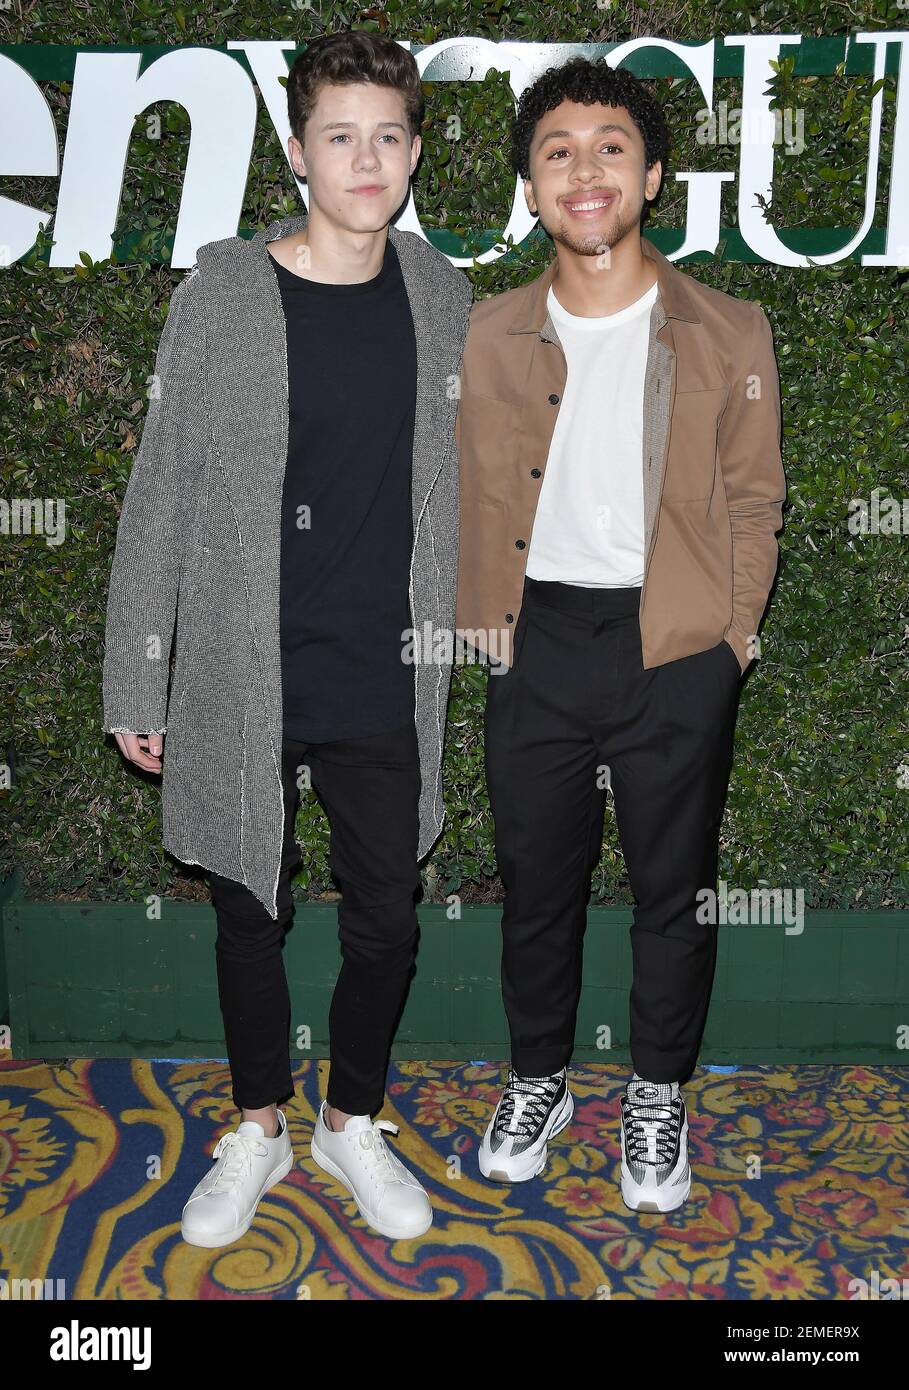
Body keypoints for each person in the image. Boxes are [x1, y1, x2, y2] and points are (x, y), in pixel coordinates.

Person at [102, 30, 472, 1246]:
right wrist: (135, 669)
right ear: (300, 154)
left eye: (387, 136)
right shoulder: (219, 292)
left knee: (388, 916)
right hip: (243, 664)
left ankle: (351, 1116)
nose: (366, 160)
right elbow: (160, 487)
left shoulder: (440, 293)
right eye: (339, 136)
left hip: (383, 665)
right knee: (246, 909)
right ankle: (259, 1121)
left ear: (413, 152)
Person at [455, 56, 786, 1213]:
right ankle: (538, 1076)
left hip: (675, 650)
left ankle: (658, 1092)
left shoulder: (729, 329)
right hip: (535, 640)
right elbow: (454, 497)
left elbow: (755, 501)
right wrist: (482, 635)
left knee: (672, 890)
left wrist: (730, 642)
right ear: (532, 189)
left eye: (609, 149)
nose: (583, 170)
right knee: (535, 887)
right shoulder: (487, 335)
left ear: (649, 177)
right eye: (556, 152)